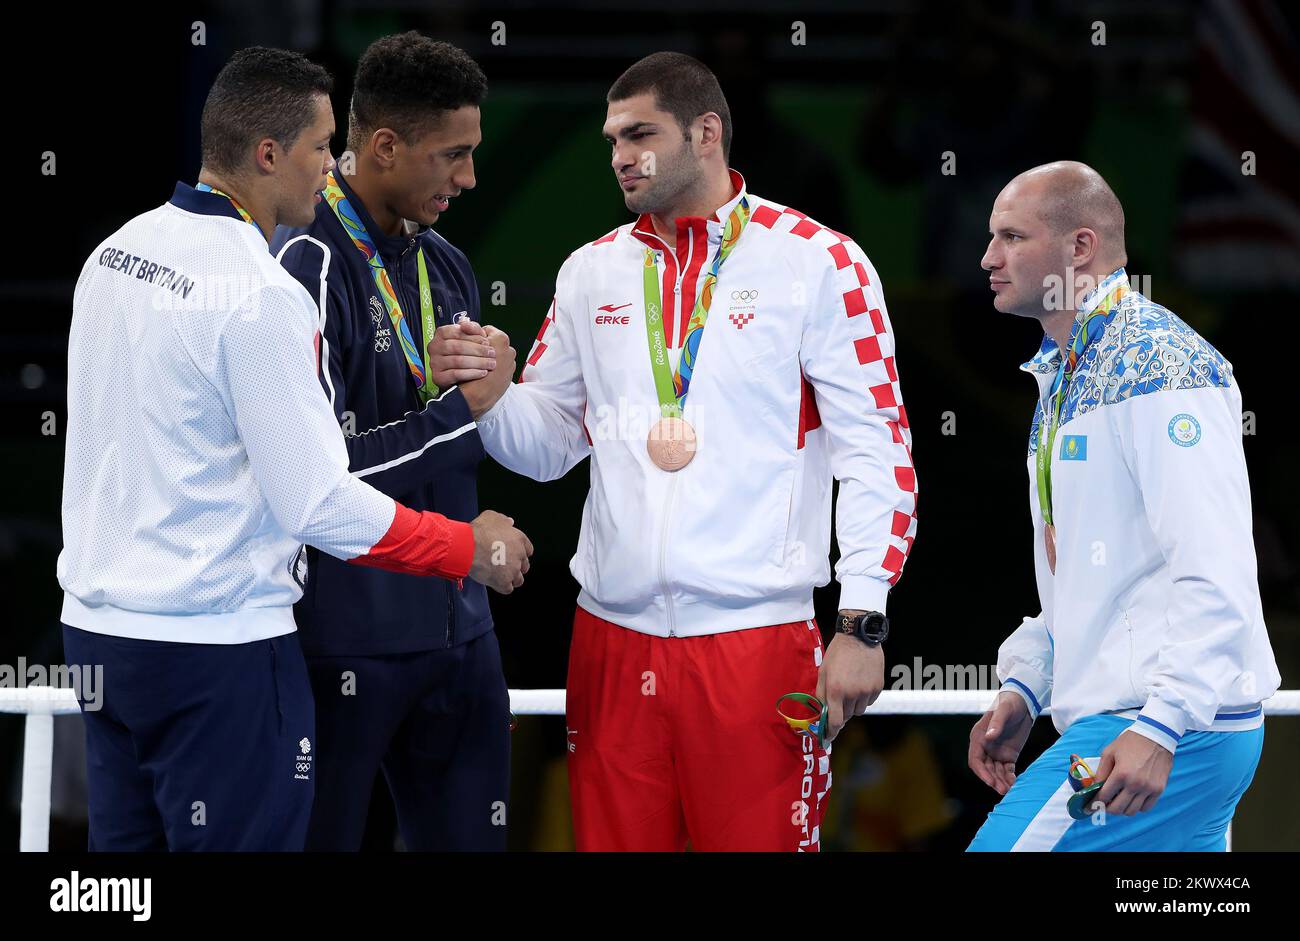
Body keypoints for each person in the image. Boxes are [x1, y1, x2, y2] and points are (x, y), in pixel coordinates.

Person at [430, 52, 918, 851]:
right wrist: (488, 397)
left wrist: (862, 622)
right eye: (611, 138)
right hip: (609, 642)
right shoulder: (591, 270)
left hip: (755, 643)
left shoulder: (820, 261)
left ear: (706, 132)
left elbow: (880, 451)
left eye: (640, 133)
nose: (620, 154)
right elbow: (550, 444)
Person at [56, 47, 529, 852]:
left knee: (120, 882)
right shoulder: (264, 288)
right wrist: (464, 542)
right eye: (320, 149)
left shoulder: (115, 251)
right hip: (222, 645)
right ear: (268, 154)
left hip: (102, 636)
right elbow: (317, 500)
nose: (330, 167)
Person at [967, 161, 1281, 851]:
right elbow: (1082, 581)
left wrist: (1163, 723)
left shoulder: (1160, 363)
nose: (988, 257)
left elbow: (1218, 564)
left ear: (1080, 248)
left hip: (1166, 725)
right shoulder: (1067, 371)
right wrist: (1027, 686)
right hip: (1160, 719)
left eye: (1011, 237)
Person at [272, 33, 519, 851]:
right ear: (384, 145)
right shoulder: (305, 260)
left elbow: (463, 430)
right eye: (453, 155)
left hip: (461, 634)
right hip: (345, 642)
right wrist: (464, 411)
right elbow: (323, 477)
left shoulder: (445, 262)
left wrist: (491, 386)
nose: (469, 178)